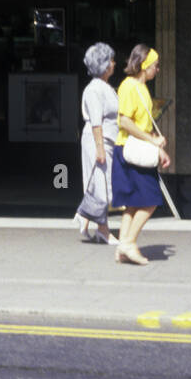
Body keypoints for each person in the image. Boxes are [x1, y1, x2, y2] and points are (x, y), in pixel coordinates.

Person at [111, 44, 170, 265]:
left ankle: (123, 246)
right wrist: (153, 141)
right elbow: (124, 121)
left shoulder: (141, 87)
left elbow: (142, 126)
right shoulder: (129, 87)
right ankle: (128, 243)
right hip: (129, 150)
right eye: (155, 65)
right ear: (145, 66)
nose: (158, 69)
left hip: (134, 149)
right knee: (151, 199)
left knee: (134, 203)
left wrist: (158, 147)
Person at [74, 42, 120, 245]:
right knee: (100, 186)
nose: (114, 63)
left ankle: (84, 216)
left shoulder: (105, 87)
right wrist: (100, 148)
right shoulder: (93, 90)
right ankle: (103, 229)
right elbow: (96, 122)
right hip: (97, 141)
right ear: (103, 64)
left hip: (107, 141)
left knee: (102, 184)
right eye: (110, 60)